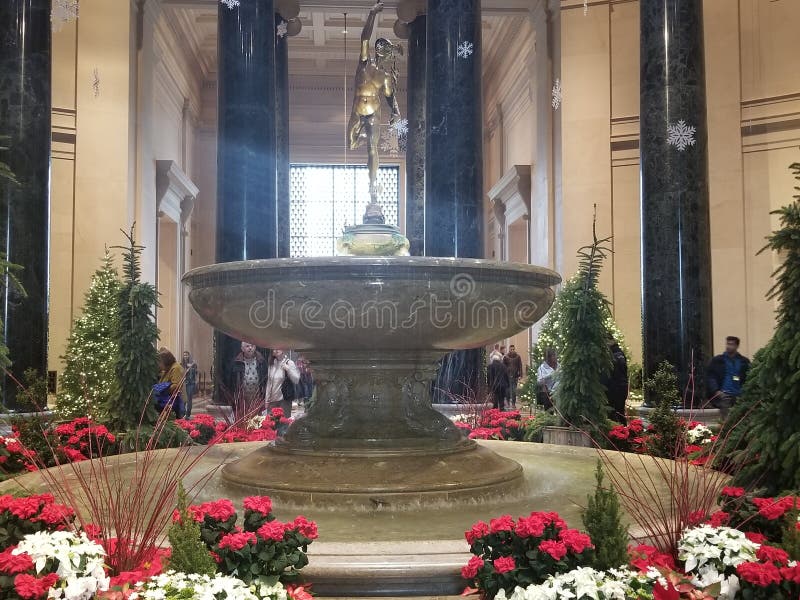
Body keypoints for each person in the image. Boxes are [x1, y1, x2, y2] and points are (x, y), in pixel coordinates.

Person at [347, 1, 403, 212]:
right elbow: (364, 38)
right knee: (352, 143)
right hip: (357, 111)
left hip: (373, 115)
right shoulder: (364, 63)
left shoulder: (386, 77)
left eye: (386, 50)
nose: (383, 52)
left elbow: (389, 97)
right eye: (382, 48)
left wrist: (396, 111)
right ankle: (361, 136)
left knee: (373, 149)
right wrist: (372, 14)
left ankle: (372, 189)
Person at [706, 336, 750, 412]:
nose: (728, 346)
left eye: (731, 344)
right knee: (725, 408)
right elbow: (711, 376)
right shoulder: (718, 360)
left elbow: (747, 377)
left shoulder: (744, 361)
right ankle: (725, 423)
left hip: (738, 394)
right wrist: (716, 390)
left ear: (737, 346)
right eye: (727, 344)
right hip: (723, 393)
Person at [265, 349, 301, 419]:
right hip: (272, 400)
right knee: (270, 425)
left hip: (284, 399)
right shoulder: (272, 363)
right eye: (274, 348)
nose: (276, 350)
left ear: (283, 349)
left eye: (279, 347)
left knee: (283, 424)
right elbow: (269, 382)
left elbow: (296, 380)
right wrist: (266, 400)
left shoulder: (289, 363)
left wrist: (288, 369)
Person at [602, 338, 629, 424]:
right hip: (621, 388)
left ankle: (618, 434)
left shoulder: (612, 355)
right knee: (620, 413)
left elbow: (608, 374)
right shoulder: (619, 353)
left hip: (613, 389)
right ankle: (623, 432)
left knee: (614, 415)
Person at [157, 348, 185, 418]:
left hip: (173, 403)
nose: (159, 364)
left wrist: (163, 389)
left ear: (166, 361)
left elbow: (176, 385)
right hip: (166, 402)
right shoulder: (167, 369)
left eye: (160, 362)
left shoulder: (176, 368)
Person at [503, 344, 524, 408]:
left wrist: (520, 375)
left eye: (513, 349)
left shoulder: (518, 357)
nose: (512, 350)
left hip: (515, 376)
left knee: (514, 390)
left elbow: (520, 366)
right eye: (511, 349)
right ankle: (508, 402)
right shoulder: (506, 357)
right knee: (508, 390)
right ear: (509, 349)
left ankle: (513, 403)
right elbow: (503, 366)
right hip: (507, 375)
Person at [181, 351, 198, 417]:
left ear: (189, 356)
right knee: (183, 399)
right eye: (184, 355)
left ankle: (188, 414)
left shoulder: (193, 364)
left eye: (186, 355)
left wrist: (191, 368)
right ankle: (183, 413)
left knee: (189, 399)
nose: (185, 356)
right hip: (183, 383)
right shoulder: (181, 364)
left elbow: (196, 373)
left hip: (191, 383)